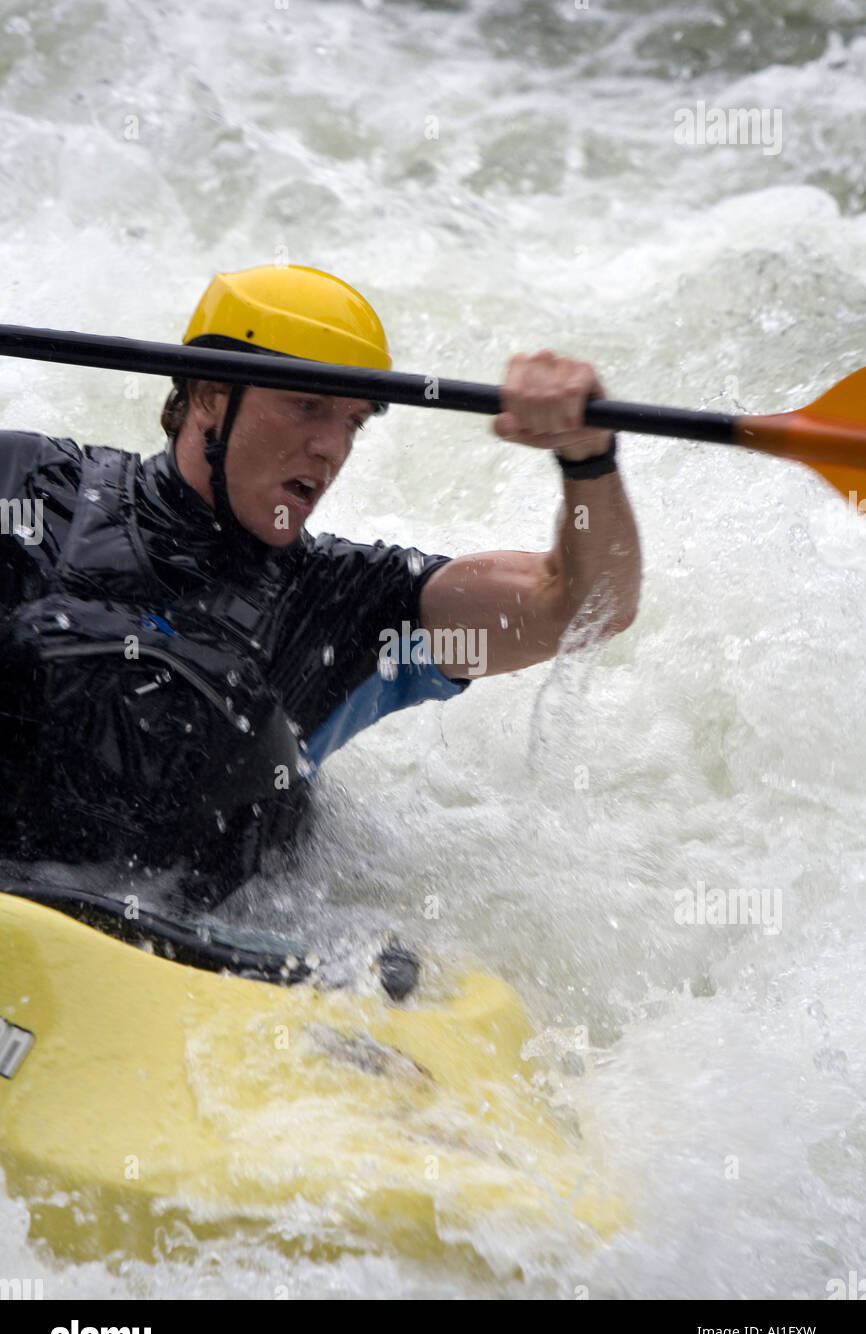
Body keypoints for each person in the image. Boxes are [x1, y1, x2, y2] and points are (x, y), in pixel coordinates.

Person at [0, 264, 640, 911]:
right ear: (210, 393)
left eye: (354, 422)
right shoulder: (29, 488)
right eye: (309, 405)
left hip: (199, 961)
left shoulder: (347, 605)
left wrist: (588, 456)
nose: (332, 447)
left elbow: (586, 606)